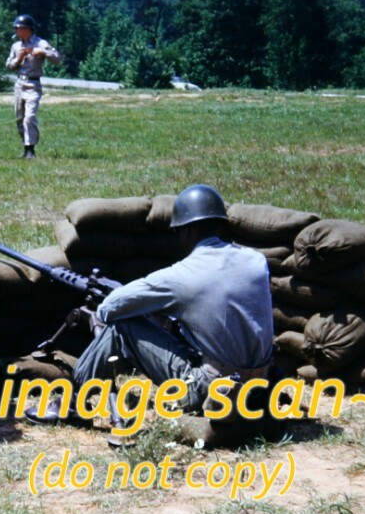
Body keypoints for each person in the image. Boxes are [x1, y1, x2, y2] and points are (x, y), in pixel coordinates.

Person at [27, 185, 274, 436]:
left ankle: (74, 402)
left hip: (209, 388)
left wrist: (145, 310)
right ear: (220, 225)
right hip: (259, 383)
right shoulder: (256, 261)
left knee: (122, 327)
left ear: (186, 231)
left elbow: (109, 310)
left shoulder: (181, 275)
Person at [5, 13, 63, 159]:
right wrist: (18, 59)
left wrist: (43, 52)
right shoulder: (16, 46)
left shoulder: (40, 43)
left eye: (19, 28)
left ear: (27, 29)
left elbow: (57, 59)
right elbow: (8, 65)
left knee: (29, 117)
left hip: (33, 84)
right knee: (20, 118)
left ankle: (31, 149)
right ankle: (25, 146)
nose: (16, 31)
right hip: (19, 84)